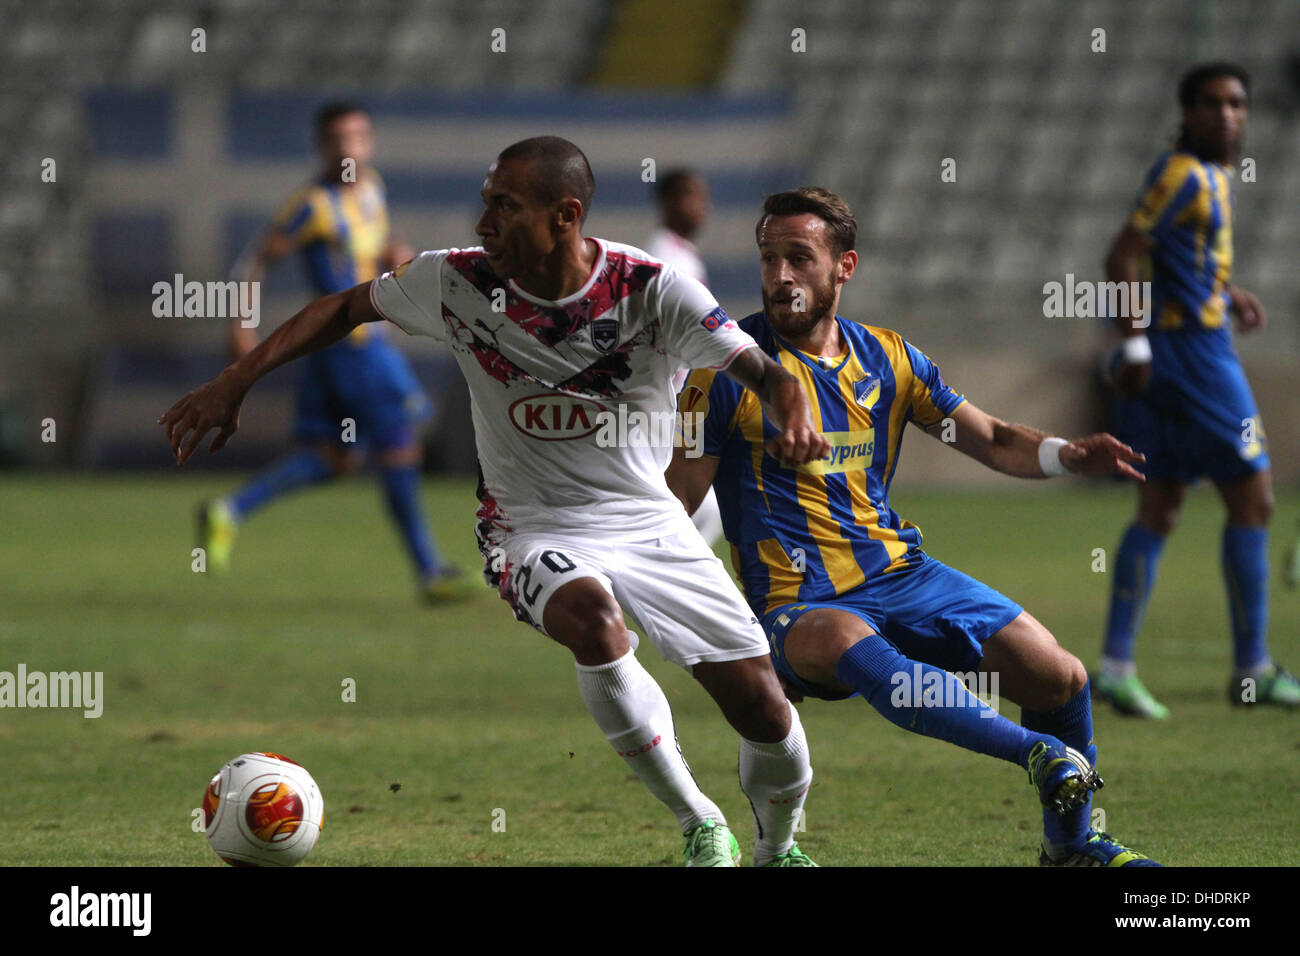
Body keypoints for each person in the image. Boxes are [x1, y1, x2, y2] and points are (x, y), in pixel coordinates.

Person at [161, 136, 828, 867]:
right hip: (528, 526)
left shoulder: (653, 290)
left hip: (650, 522)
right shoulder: (455, 283)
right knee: (594, 624)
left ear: (564, 215)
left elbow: (764, 370)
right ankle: (699, 820)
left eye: (503, 207)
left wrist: (791, 405)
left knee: (764, 708)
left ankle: (778, 847)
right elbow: (343, 308)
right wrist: (236, 379)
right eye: (485, 203)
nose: (483, 223)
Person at [667, 187, 1160, 866]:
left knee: (1060, 676)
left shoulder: (890, 358)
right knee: (854, 643)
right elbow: (675, 503)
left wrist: (1065, 454)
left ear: (845, 266)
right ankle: (1035, 753)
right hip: (798, 604)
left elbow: (989, 437)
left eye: (799, 258)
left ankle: (1070, 849)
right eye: (768, 258)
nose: (779, 276)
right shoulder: (723, 370)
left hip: (903, 573)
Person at [198, 102, 470, 602]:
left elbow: (383, 241)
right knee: (400, 444)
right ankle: (431, 571)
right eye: (338, 139)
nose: (349, 148)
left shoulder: (371, 189)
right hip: (353, 347)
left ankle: (230, 511)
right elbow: (253, 259)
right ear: (322, 146)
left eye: (358, 136)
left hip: (335, 352)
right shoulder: (312, 205)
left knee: (335, 458)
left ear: (368, 141)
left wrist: (395, 255)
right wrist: (240, 323)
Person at [1096, 62, 1299, 717]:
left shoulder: (1213, 177)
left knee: (1160, 507)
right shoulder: (1183, 173)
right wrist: (1131, 344)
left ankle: (1116, 667)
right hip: (1194, 358)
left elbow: (1172, 260)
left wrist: (1223, 292)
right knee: (1256, 500)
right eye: (1211, 103)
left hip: (1180, 346)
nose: (1227, 115)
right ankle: (1254, 670)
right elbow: (1121, 256)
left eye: (1237, 103)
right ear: (1187, 112)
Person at [645, 168, 724, 545]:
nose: (703, 206)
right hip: (668, 405)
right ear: (668, 202)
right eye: (693, 196)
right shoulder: (666, 258)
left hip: (679, 405)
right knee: (698, 506)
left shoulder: (681, 254)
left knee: (697, 506)